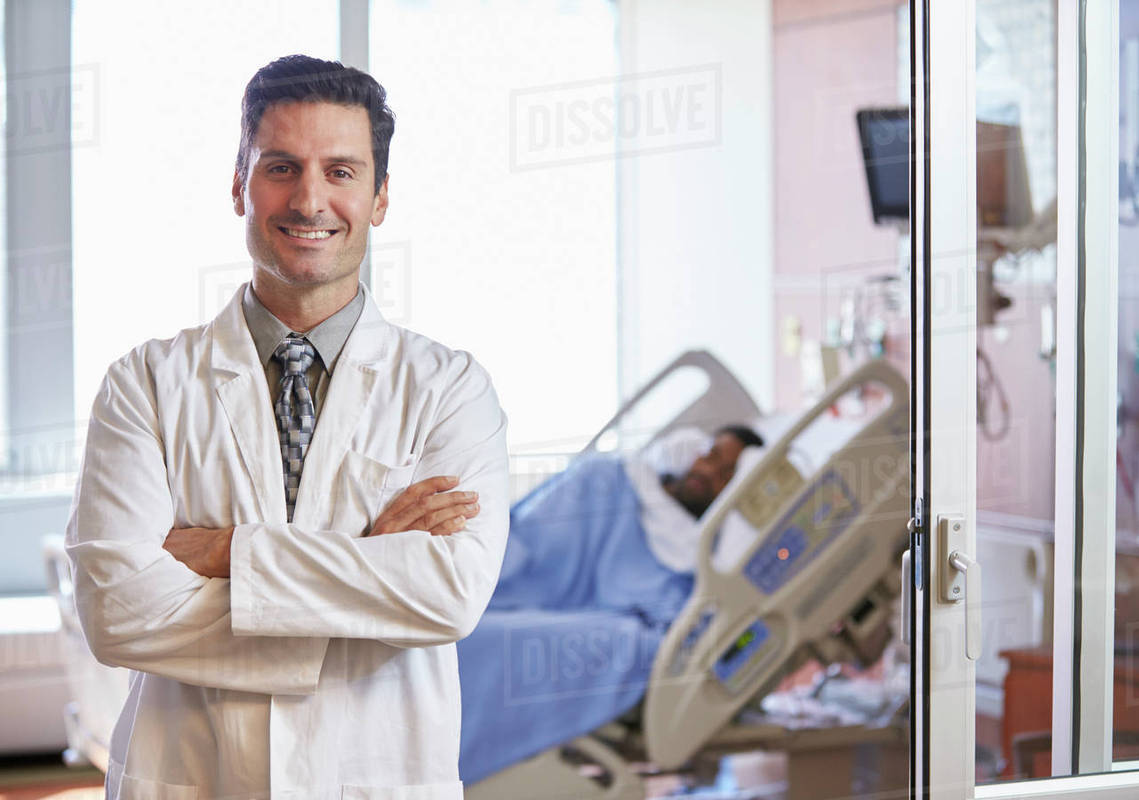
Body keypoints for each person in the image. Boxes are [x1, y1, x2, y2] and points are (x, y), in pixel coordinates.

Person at [66, 55, 508, 799]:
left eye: (341, 171)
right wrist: (366, 568)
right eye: (280, 167)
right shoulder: (144, 383)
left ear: (381, 197)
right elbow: (118, 613)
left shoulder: (450, 389)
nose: (310, 200)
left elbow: (448, 596)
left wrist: (230, 551)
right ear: (238, 183)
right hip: (191, 777)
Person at [456, 424, 762, 783]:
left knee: (482, 644)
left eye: (728, 475)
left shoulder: (698, 556)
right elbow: (526, 535)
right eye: (711, 456)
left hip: (597, 619)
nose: (709, 472)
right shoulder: (612, 478)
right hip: (510, 587)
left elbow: (677, 617)